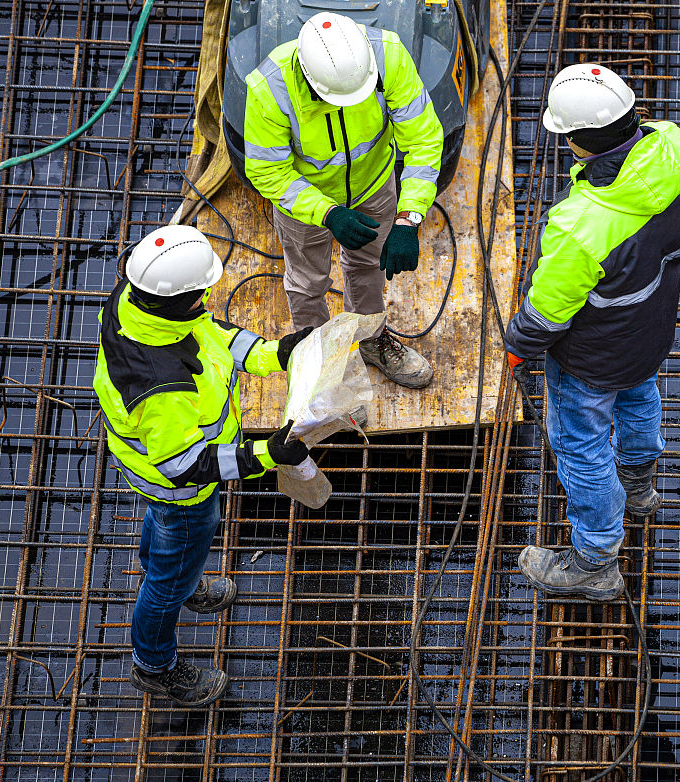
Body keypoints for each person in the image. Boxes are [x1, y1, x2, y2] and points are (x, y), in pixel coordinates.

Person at [503, 64, 680, 601]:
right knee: (638, 397)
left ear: (576, 141)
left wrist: (516, 347)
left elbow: (547, 315)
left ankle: (595, 560)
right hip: (651, 329)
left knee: (580, 448)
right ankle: (638, 487)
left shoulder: (580, 225)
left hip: (591, 357)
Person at [93, 225, 315, 707]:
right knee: (166, 583)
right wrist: (266, 455)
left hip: (156, 478)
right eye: (200, 293)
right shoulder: (162, 389)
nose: (206, 299)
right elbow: (185, 466)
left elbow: (210, 335)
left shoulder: (138, 301)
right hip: (180, 491)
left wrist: (274, 354)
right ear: (177, 300)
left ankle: (174, 573)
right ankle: (154, 667)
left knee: (167, 541)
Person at [241, 11, 443, 389]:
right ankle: (318, 360)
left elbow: (424, 140)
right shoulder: (271, 88)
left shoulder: (388, 56)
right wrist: (327, 213)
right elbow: (268, 171)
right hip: (304, 202)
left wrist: (409, 217)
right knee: (307, 282)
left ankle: (369, 338)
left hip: (373, 185)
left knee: (368, 267)